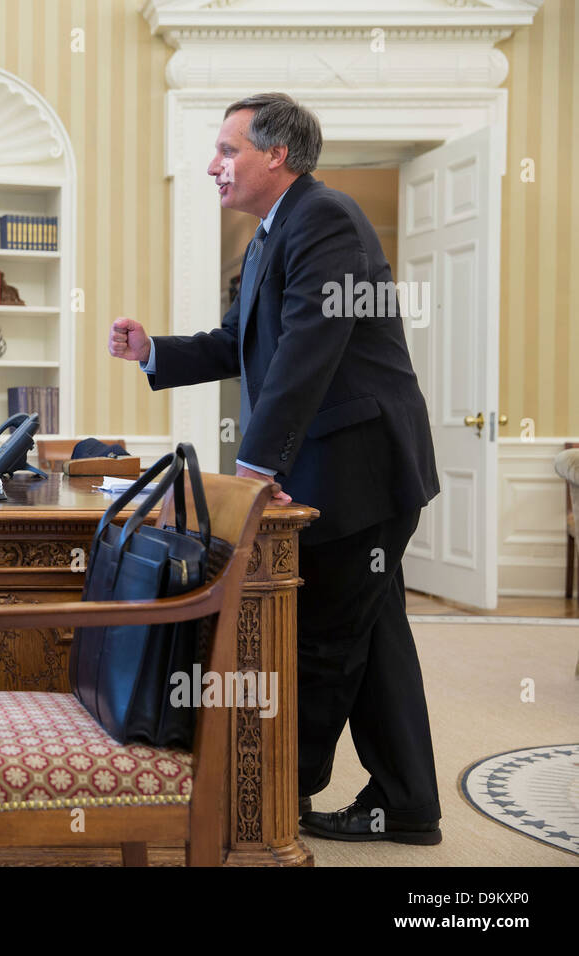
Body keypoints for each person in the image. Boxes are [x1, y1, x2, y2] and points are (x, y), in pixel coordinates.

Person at [108, 93, 443, 844]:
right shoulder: (269, 235)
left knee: (323, 638)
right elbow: (237, 344)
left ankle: (277, 797)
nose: (211, 165)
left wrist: (253, 471)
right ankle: (409, 804)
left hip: (358, 474)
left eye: (228, 150)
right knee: (374, 636)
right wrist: (153, 350)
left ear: (276, 155)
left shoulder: (324, 218)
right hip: (349, 469)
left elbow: (306, 355)